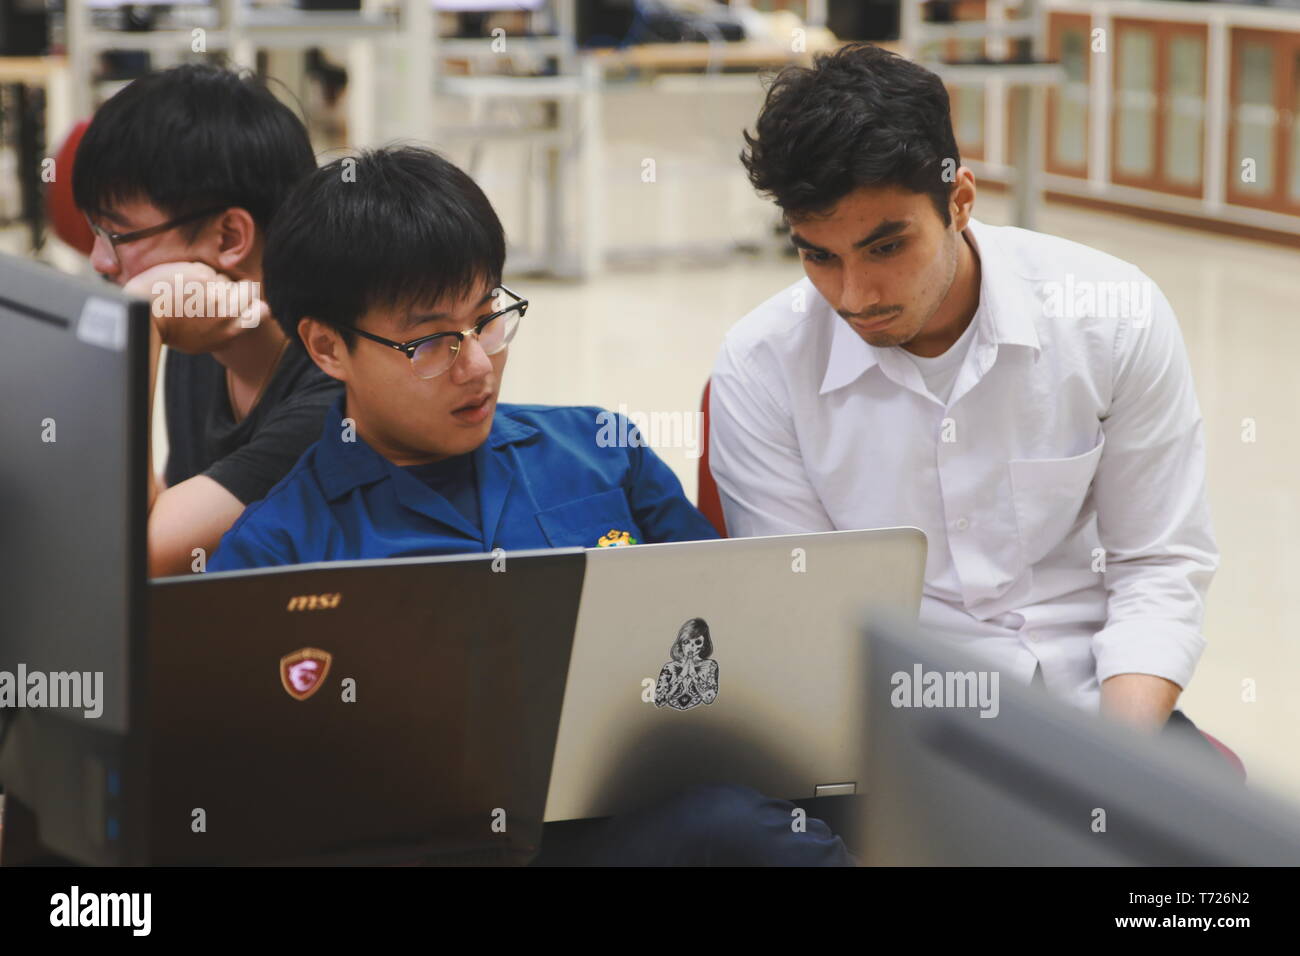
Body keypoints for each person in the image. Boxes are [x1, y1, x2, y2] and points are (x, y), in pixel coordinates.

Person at [206, 145, 853, 865]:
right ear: (327, 348)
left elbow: (738, 637)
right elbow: (251, 796)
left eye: (486, 317)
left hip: (628, 823)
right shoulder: (275, 556)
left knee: (740, 830)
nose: (478, 364)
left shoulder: (603, 451)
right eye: (431, 342)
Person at [709, 43, 1227, 768]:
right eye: (818, 256)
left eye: (886, 247)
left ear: (960, 201)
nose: (854, 297)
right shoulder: (762, 367)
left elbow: (1158, 564)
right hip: (894, 728)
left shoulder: (1111, 317)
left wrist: (1119, 768)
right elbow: (810, 619)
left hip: (1094, 703)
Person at [73, 63, 342, 577]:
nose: (100, 262)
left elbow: (131, 560)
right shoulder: (201, 341)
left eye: (119, 235)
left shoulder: (328, 403)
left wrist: (142, 324)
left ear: (228, 239)